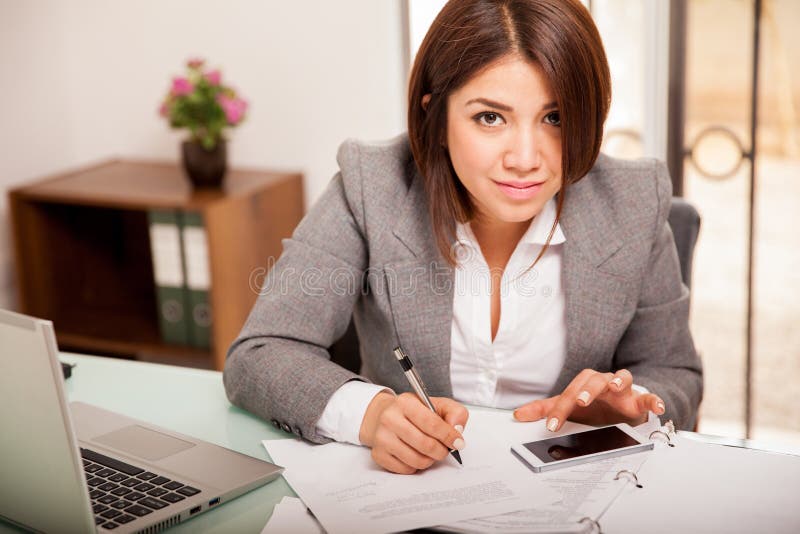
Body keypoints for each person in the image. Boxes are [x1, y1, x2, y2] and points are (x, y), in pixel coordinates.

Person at [224, 0, 703, 475]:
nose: (524, 157)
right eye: (490, 117)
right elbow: (261, 353)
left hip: (571, 489)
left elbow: (674, 373)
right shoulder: (372, 183)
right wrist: (371, 414)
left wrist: (630, 409)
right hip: (407, 492)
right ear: (437, 119)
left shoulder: (634, 200)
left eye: (554, 118)